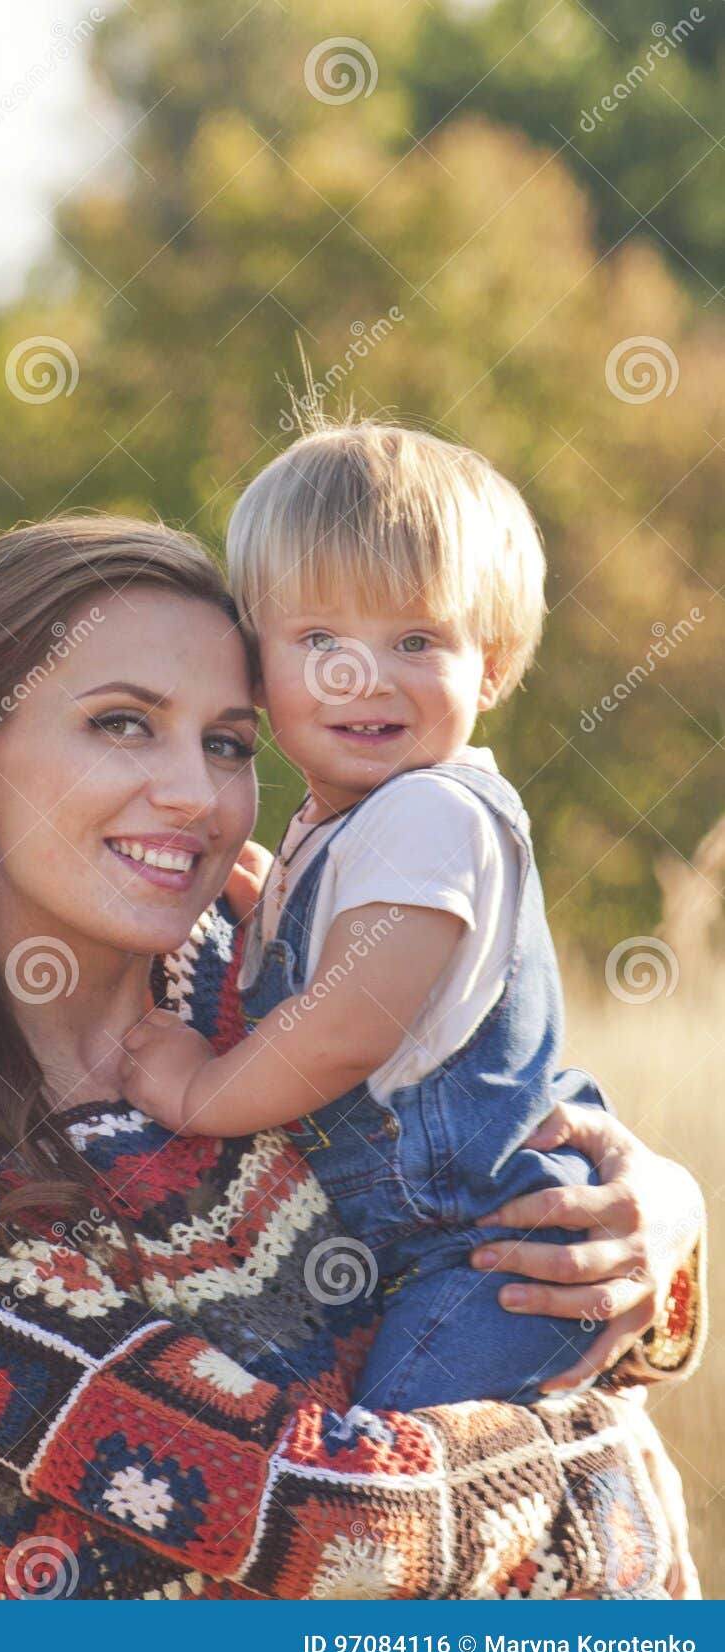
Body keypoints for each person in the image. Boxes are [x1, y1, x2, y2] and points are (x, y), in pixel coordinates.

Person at [0, 517, 704, 1601]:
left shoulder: (272, 999)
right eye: (123, 724)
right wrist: (600, 1449)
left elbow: (510, 1225)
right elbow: (342, 1532)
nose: (194, 793)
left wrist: (659, 1221)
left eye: (228, 742)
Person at [117, 420, 660, 1412]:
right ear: (256, 663)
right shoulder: (348, 828)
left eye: (414, 639)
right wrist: (261, 906)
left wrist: (198, 1090)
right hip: (438, 1253)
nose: (360, 676)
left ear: (488, 665)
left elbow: (342, 1025)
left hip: (491, 1258)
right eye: (319, 638)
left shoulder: (428, 812)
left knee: (393, 1475)